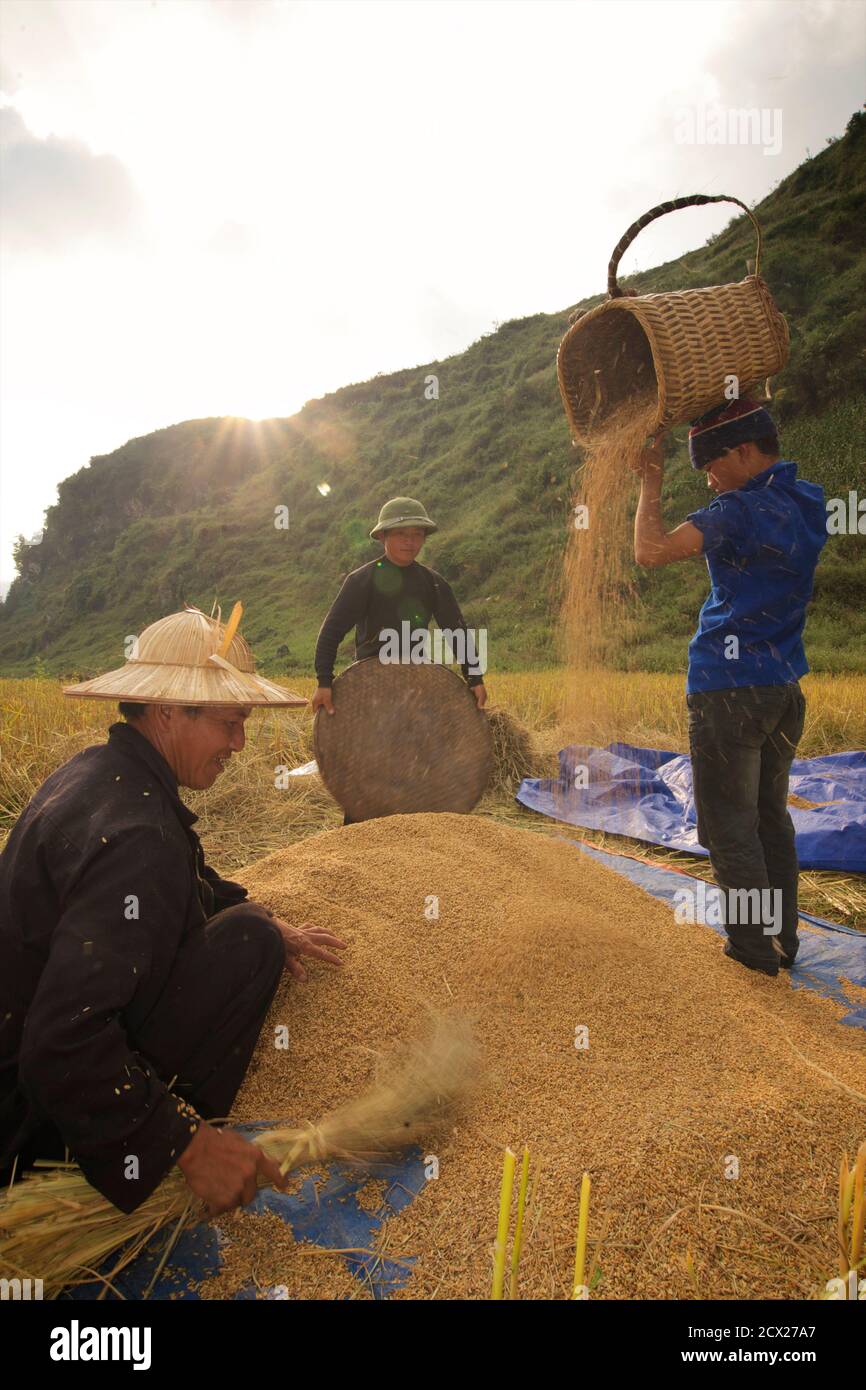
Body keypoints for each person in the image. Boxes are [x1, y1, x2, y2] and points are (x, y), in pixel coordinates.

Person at [0, 605, 346, 1217]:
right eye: (229, 723)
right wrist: (186, 1144)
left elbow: (182, 880)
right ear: (165, 714)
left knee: (253, 928)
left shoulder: (101, 774)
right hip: (33, 1124)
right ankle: (111, 1170)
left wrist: (260, 910)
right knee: (249, 947)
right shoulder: (138, 837)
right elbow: (61, 1042)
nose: (239, 743)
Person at [630, 397, 827, 976]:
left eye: (712, 463)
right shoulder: (809, 501)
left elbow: (651, 551)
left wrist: (650, 481)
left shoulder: (736, 510)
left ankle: (750, 950)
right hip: (784, 688)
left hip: (727, 689)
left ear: (744, 451)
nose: (710, 478)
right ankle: (782, 942)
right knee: (771, 817)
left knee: (727, 824)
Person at [312, 497, 488, 822]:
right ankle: (359, 842)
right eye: (401, 533)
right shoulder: (361, 581)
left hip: (416, 691)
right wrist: (324, 681)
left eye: (417, 534)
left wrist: (474, 677)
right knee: (366, 776)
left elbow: (457, 631)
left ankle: (413, 844)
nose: (410, 541)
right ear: (383, 537)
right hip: (369, 693)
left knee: (414, 765)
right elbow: (331, 632)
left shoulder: (433, 583)